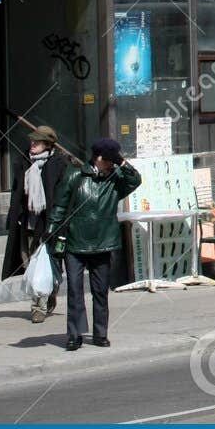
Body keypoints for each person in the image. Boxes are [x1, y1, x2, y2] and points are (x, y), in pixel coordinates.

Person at [46, 138, 141, 352]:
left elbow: (136, 180)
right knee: (75, 292)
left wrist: (122, 162)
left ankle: (100, 333)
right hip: (75, 243)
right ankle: (74, 334)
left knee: (100, 291)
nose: (113, 164)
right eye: (110, 160)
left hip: (104, 242)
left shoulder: (115, 180)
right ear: (99, 158)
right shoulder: (75, 176)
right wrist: (51, 231)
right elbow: (60, 206)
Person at [0, 125, 74, 323]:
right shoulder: (24, 162)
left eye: (37, 142)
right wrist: (15, 215)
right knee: (29, 261)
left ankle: (39, 305)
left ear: (48, 145)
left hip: (50, 223)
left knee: (46, 262)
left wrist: (58, 223)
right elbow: (17, 192)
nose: (32, 144)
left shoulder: (59, 164)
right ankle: (45, 293)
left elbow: (63, 196)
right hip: (28, 222)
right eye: (32, 141)